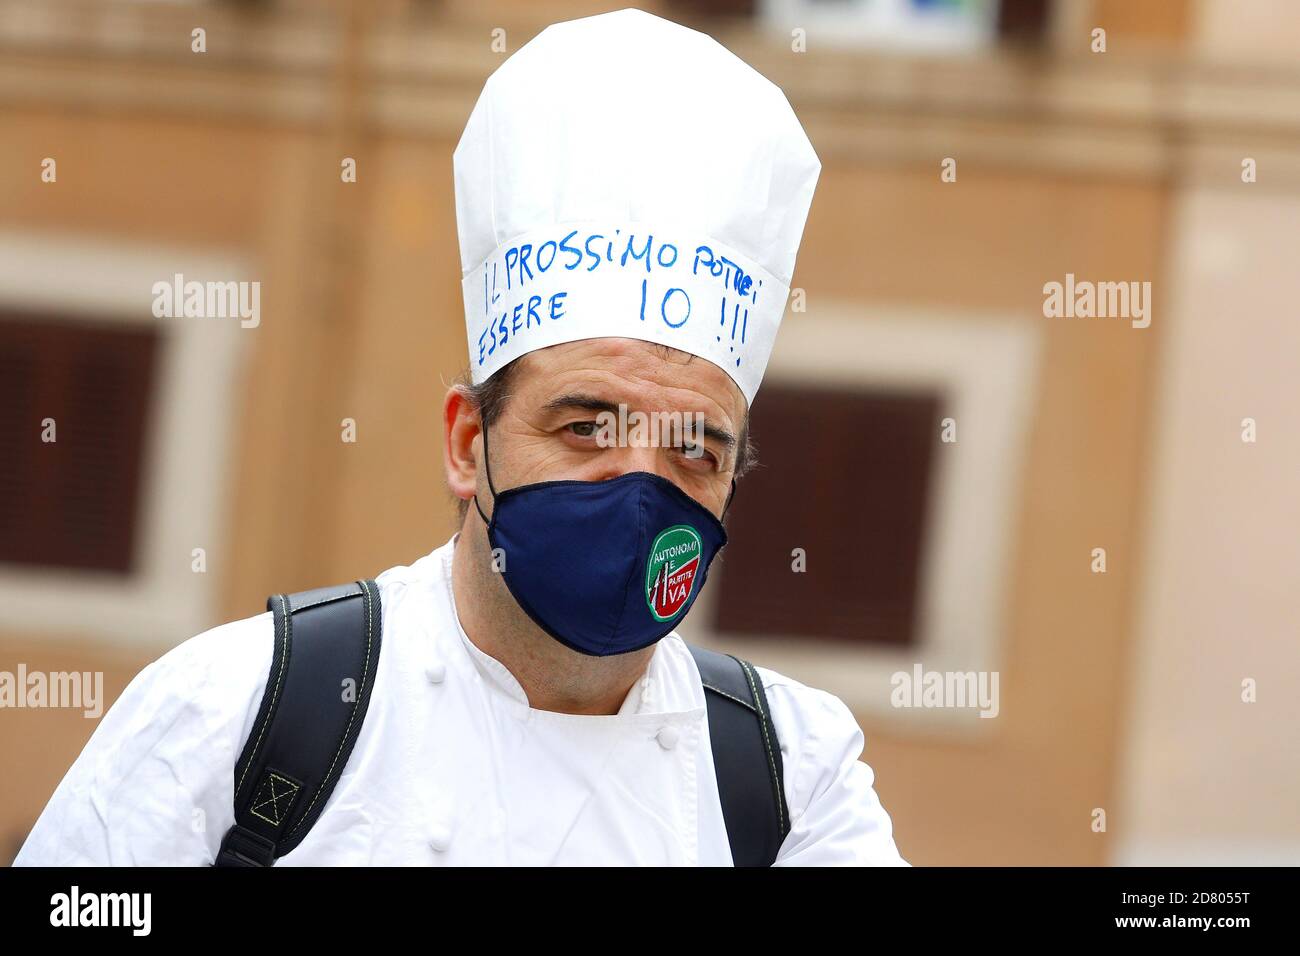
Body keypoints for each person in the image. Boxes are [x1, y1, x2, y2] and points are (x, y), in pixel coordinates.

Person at [15, 7, 906, 866]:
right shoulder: (238, 710)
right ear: (465, 441)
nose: (639, 487)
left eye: (694, 448)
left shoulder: (791, 780)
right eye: (587, 425)